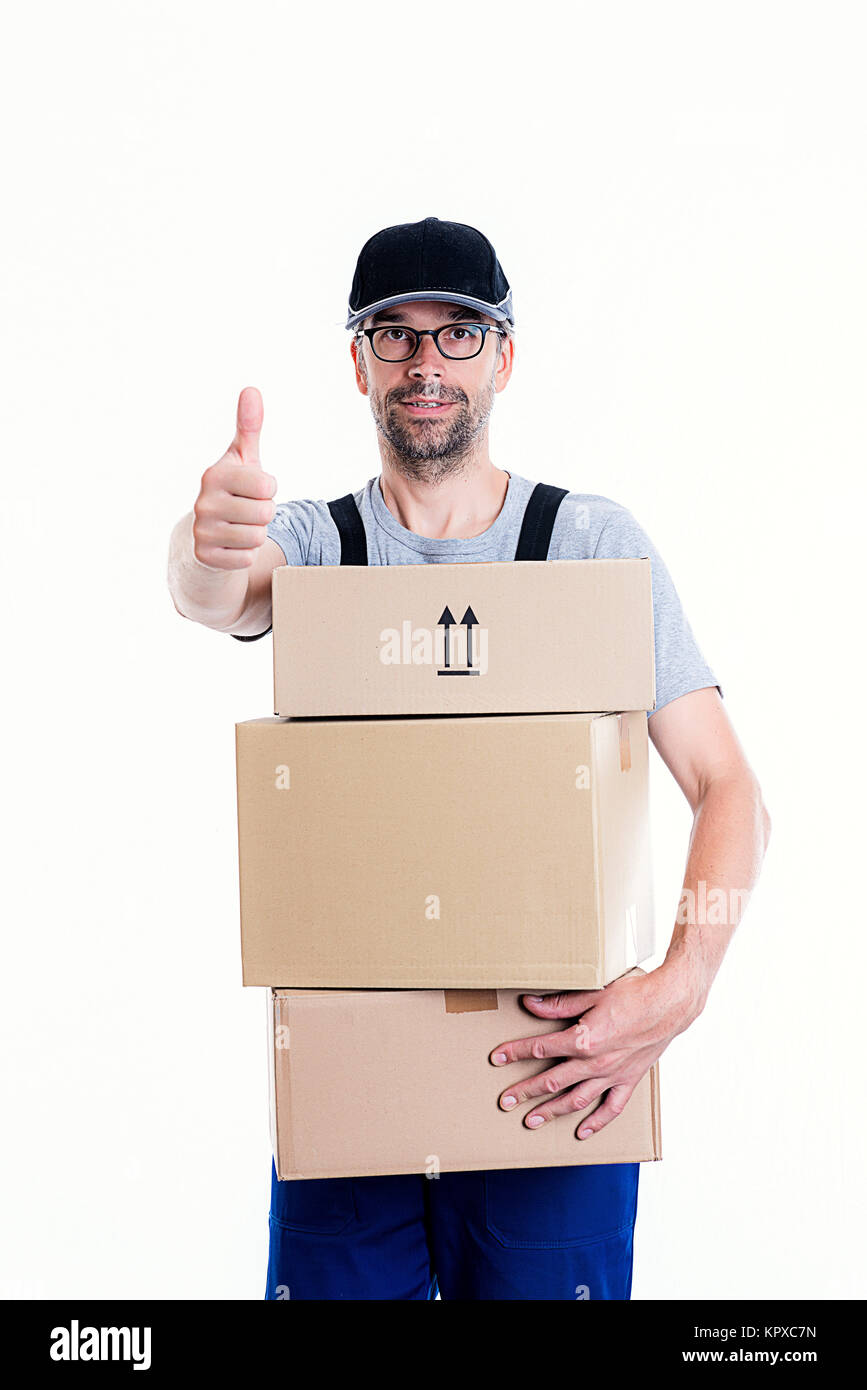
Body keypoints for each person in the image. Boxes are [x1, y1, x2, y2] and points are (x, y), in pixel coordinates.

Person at [167, 216, 771, 1301]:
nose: (425, 364)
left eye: (457, 334)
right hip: (355, 1096)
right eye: (394, 336)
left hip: (552, 1088)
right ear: (357, 362)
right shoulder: (317, 547)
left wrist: (687, 980)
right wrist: (202, 543)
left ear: (504, 355)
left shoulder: (588, 546)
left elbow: (731, 790)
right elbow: (218, 591)